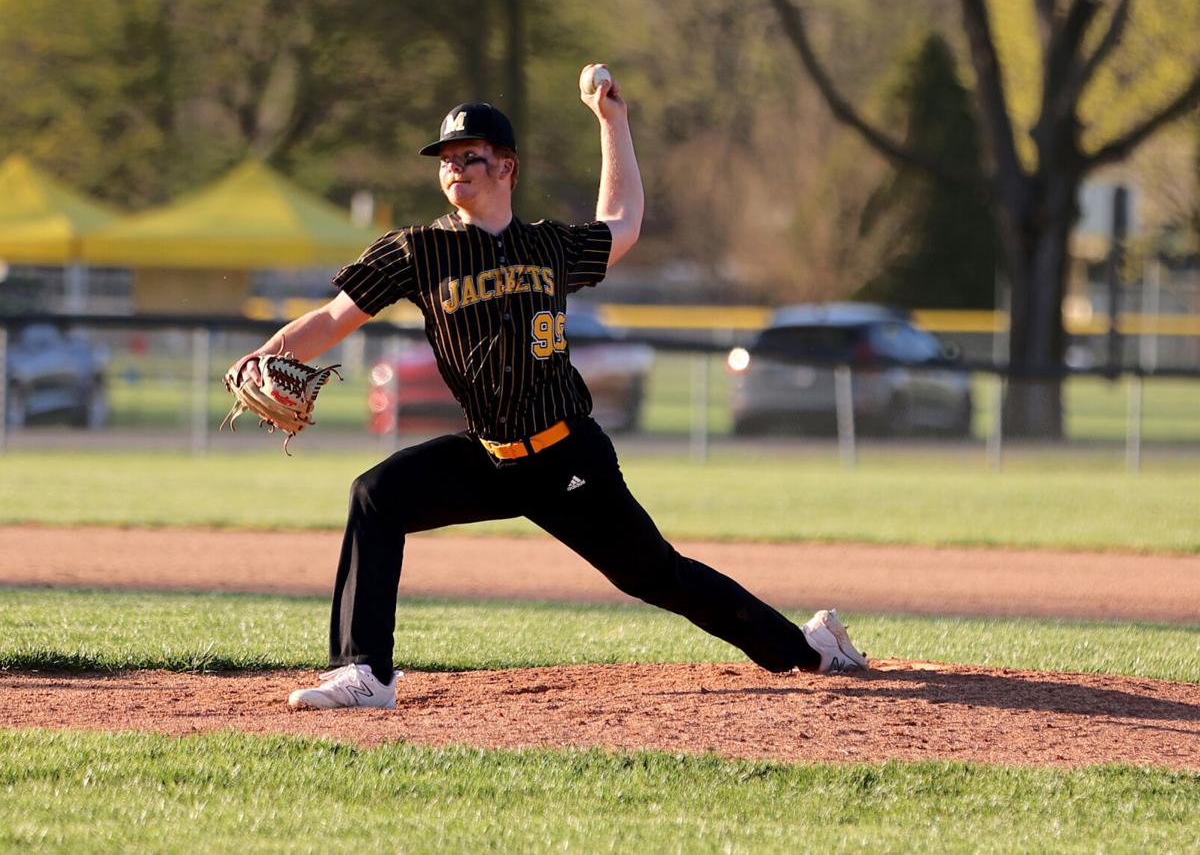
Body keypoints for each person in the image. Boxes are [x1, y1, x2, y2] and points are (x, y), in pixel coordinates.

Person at [226, 65, 867, 710]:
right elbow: (335, 317)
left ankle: (811, 649)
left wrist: (611, 122)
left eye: (469, 157)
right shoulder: (418, 251)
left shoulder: (548, 247)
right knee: (376, 495)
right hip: (489, 456)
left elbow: (623, 222)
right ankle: (366, 673)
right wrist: (267, 354)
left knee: (657, 575)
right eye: (445, 159)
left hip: (569, 457)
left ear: (507, 167)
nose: (455, 168)